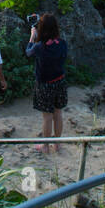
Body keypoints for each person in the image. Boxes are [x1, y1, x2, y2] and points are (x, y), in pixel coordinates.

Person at [26, 12, 69, 152]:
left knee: (47, 117)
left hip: (45, 84)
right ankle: (57, 144)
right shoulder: (62, 43)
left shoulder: (40, 47)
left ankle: (45, 146)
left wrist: (32, 37)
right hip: (60, 81)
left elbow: (28, 52)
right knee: (58, 113)